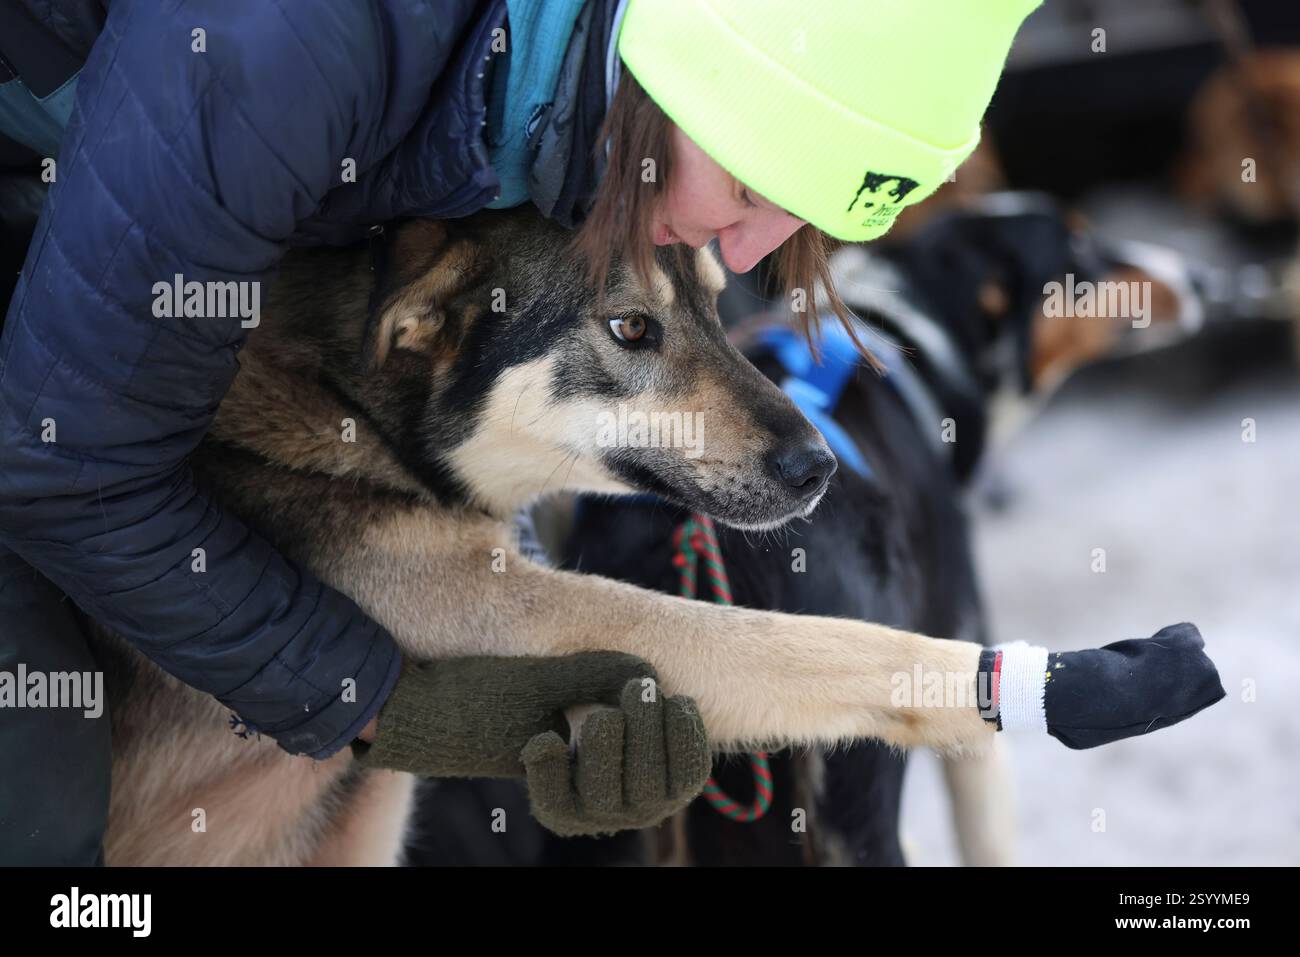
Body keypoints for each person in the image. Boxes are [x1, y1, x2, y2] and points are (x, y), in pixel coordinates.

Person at [0, 0, 1041, 863]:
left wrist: (500, 638)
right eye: (752, 187)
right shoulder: (291, 46)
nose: (754, 241)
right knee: (34, 783)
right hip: (70, 284)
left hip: (149, 249)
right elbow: (66, 463)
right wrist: (387, 705)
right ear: (686, 75)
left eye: (800, 222)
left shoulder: (564, 116)